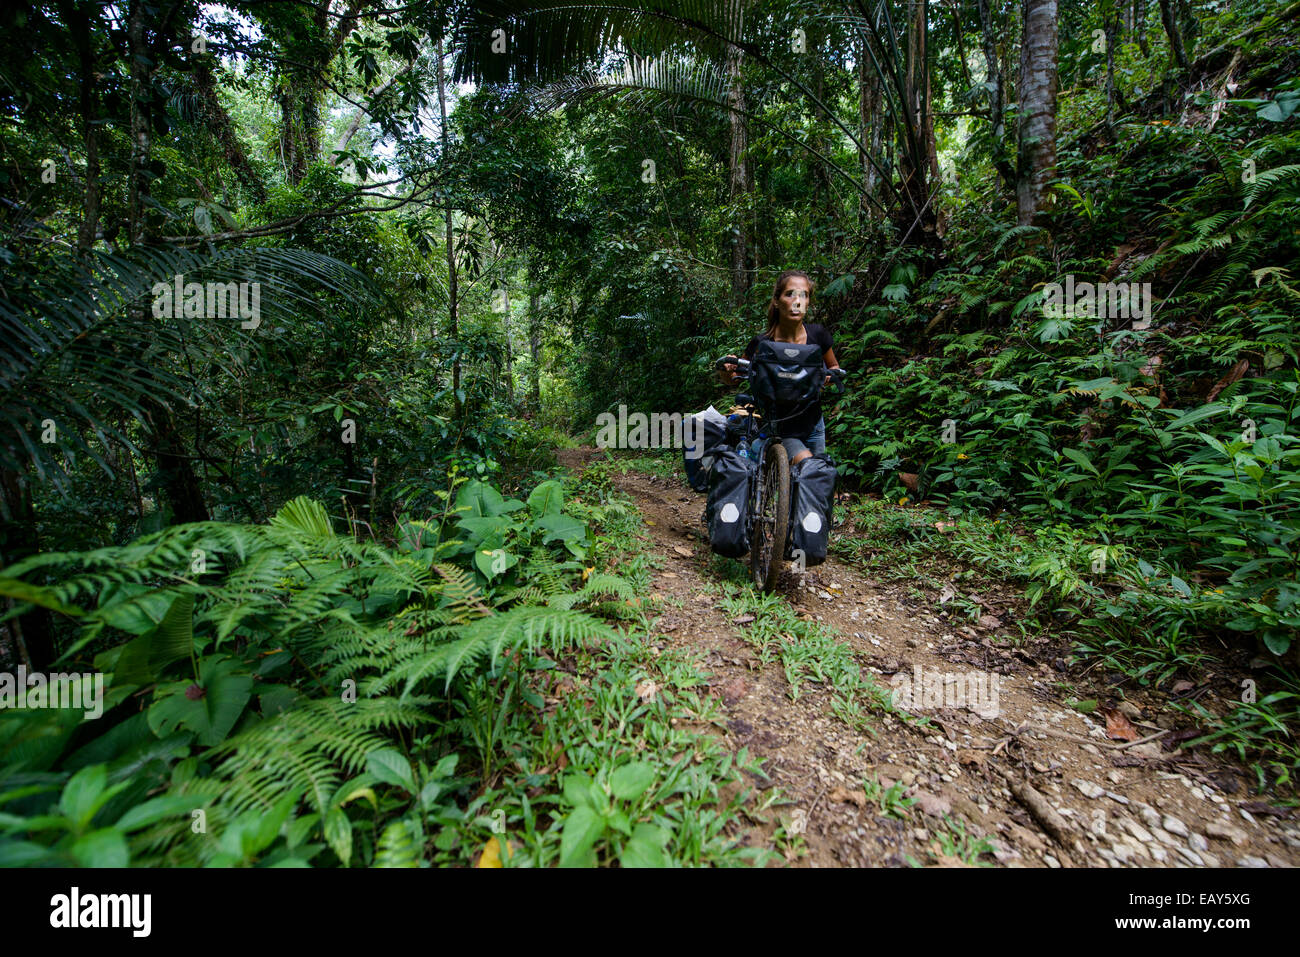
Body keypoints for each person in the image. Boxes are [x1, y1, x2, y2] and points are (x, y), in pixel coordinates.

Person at [717, 269, 840, 471]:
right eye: (790, 294)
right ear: (776, 300)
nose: (797, 301)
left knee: (817, 485)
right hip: (780, 427)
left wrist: (830, 375)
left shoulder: (818, 336)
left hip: (814, 424)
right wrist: (726, 370)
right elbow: (734, 378)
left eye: (804, 295)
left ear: (808, 302)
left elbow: (834, 366)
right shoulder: (762, 344)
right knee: (811, 469)